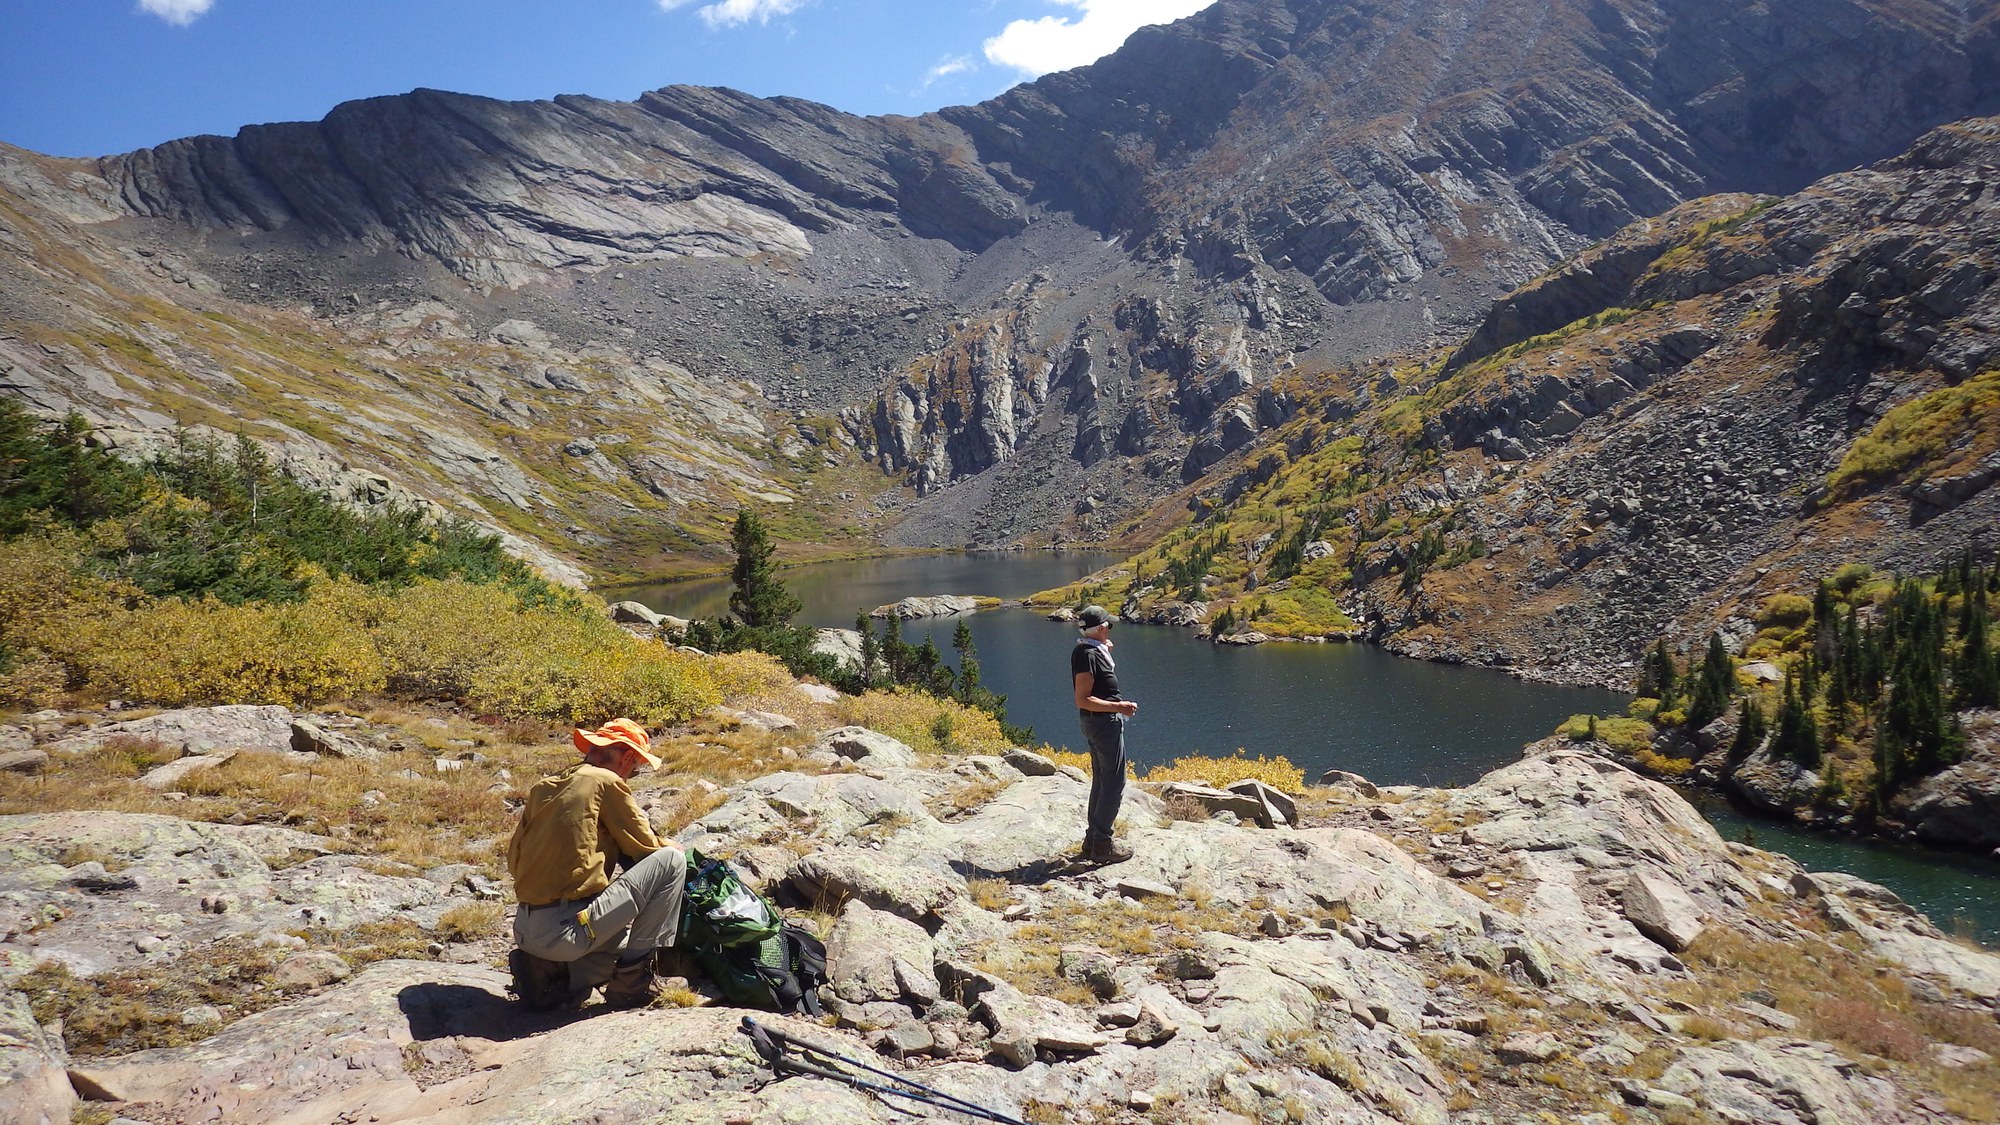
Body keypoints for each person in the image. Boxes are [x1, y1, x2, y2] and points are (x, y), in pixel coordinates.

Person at [506, 718, 686, 1010]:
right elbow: (647, 847)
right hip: (565, 930)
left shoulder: (545, 786)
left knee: (620, 948)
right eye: (636, 766)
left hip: (526, 929)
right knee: (672, 861)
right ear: (627, 757)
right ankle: (633, 984)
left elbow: (514, 862)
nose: (632, 773)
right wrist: (672, 845)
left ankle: (549, 973)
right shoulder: (606, 781)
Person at [1071, 605, 1137, 863]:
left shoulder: (1091, 650)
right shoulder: (1087, 654)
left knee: (1102, 780)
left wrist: (1103, 651)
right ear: (1100, 628)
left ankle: (1092, 841)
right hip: (1103, 723)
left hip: (1098, 722)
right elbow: (1083, 699)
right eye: (1107, 624)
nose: (1110, 627)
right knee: (1114, 782)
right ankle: (1102, 845)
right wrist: (1119, 707)